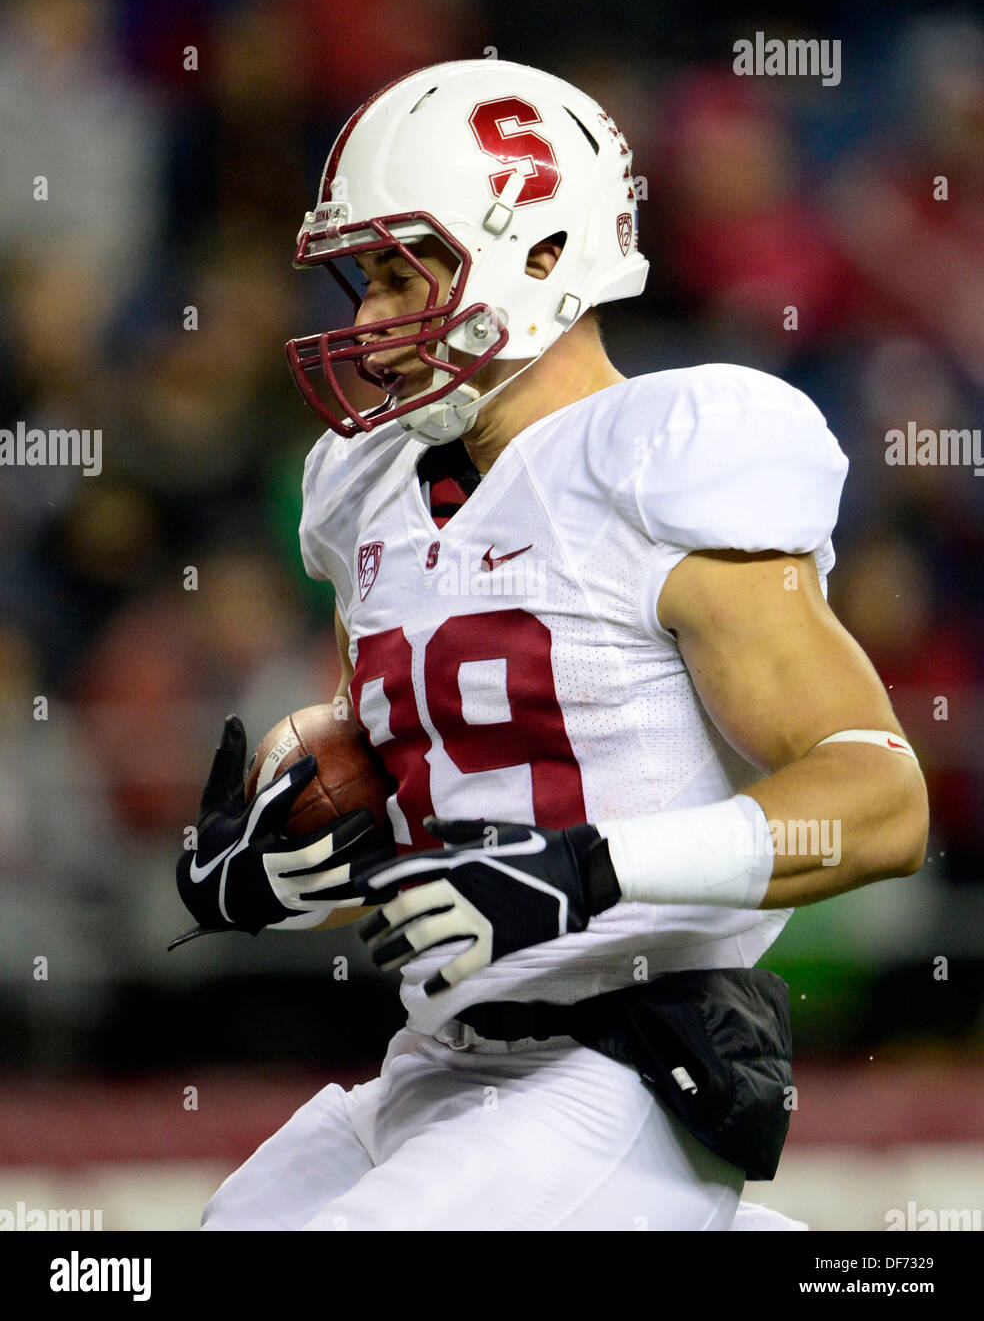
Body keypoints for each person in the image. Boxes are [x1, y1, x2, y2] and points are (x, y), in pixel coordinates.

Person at [174, 59, 928, 1231]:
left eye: (397, 275)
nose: (369, 324)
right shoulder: (369, 490)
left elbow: (880, 801)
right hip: (442, 1061)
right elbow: (409, 782)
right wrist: (280, 861)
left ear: (537, 255)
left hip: (623, 1065)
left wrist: (593, 868)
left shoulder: (664, 460)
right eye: (362, 282)